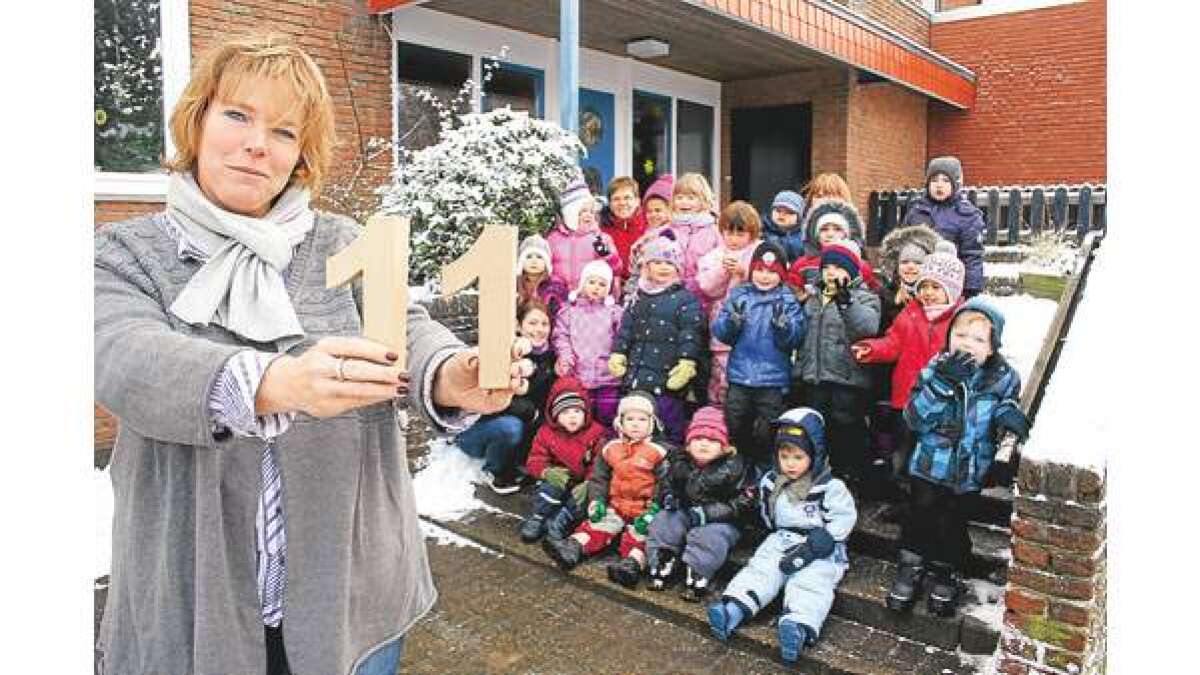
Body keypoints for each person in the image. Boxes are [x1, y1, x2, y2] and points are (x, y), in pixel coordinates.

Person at [94, 35, 533, 675]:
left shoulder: (341, 243)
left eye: (282, 131)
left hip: (352, 598)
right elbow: (124, 357)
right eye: (237, 115)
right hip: (189, 607)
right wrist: (276, 382)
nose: (256, 144)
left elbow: (407, 330)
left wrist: (453, 374)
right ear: (197, 119)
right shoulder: (127, 254)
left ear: (300, 154)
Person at [887, 299, 1029, 617]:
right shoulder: (936, 369)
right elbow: (914, 418)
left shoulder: (1003, 378)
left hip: (968, 468)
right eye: (961, 335)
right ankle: (911, 566)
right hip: (928, 464)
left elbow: (1004, 406)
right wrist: (942, 384)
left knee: (952, 520)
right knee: (920, 515)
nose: (967, 344)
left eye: (979, 339)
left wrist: (1009, 418)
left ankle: (946, 570)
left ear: (992, 348)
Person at [705, 408, 857, 665]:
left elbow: (845, 516)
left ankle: (798, 626)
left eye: (798, 456)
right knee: (761, 569)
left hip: (819, 544)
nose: (791, 463)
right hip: (783, 538)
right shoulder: (771, 482)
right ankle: (734, 609)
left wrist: (826, 539)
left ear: (814, 454)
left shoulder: (829, 486)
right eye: (784, 456)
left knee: (812, 581)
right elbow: (768, 511)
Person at [853, 241, 966, 487]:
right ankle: (902, 495)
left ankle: (927, 498)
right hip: (904, 398)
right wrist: (871, 348)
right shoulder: (911, 313)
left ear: (952, 290)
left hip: (938, 403)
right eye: (924, 286)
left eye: (936, 287)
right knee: (902, 449)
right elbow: (893, 342)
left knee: (929, 454)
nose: (927, 293)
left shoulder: (959, 320)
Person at [542, 391, 671, 589]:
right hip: (616, 504)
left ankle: (631, 565)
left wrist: (654, 510)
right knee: (597, 525)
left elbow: (666, 485)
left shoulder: (659, 452)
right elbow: (599, 478)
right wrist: (597, 501)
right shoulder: (611, 448)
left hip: (644, 509)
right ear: (620, 422)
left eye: (642, 419)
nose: (635, 424)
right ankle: (573, 547)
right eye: (630, 419)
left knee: (640, 537)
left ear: (652, 422)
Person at [792, 241, 881, 488]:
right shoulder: (813, 299)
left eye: (838, 267)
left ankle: (848, 476)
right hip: (815, 376)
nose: (831, 272)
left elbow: (867, 327)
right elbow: (803, 335)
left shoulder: (866, 297)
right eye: (827, 267)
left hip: (846, 379)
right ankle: (819, 475)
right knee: (816, 428)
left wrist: (847, 304)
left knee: (845, 429)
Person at [712, 242, 806, 470]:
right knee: (735, 422)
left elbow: (795, 338)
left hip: (772, 379)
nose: (765, 277)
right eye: (760, 270)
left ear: (781, 275)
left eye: (772, 272)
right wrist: (732, 323)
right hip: (740, 376)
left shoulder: (787, 300)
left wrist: (783, 327)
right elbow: (721, 333)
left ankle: (763, 470)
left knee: (767, 430)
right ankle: (738, 467)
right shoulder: (740, 295)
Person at [646, 406, 755, 601]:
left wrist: (709, 514)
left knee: (709, 536)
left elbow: (744, 501)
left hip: (722, 520)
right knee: (665, 520)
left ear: (725, 444)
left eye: (712, 440)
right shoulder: (679, 460)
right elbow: (666, 483)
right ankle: (662, 561)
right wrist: (669, 497)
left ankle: (697, 573)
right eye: (697, 439)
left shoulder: (736, 466)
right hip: (687, 510)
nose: (703, 444)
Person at [863, 224, 943, 486]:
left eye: (916, 263)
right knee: (892, 430)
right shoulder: (886, 296)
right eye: (905, 261)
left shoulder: (929, 304)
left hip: (922, 384)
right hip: (892, 376)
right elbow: (889, 338)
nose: (909, 267)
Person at [607, 236, 705, 444]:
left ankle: (672, 463)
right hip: (637, 376)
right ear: (647, 266)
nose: (663, 267)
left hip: (667, 378)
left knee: (670, 423)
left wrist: (687, 363)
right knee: (635, 423)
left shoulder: (685, 299)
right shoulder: (638, 296)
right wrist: (619, 353)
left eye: (669, 263)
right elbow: (626, 329)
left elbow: (690, 333)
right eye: (657, 262)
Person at [457, 299, 559, 493]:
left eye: (544, 324)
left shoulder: (550, 360)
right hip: (478, 429)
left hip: (521, 428)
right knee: (511, 427)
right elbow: (481, 400)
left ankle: (518, 461)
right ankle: (495, 472)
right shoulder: (504, 353)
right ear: (519, 326)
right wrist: (525, 410)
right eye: (533, 323)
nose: (539, 329)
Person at [519, 377, 610, 543]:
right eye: (565, 412)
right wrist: (546, 472)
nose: (572, 417)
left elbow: (599, 464)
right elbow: (535, 459)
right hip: (559, 478)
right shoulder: (546, 433)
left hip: (582, 484)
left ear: (585, 412)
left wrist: (589, 482)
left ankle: (560, 521)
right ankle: (539, 516)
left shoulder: (596, 433)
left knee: (584, 499)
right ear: (555, 415)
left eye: (577, 411)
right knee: (550, 489)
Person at [695, 201, 764, 405]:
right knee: (720, 377)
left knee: (748, 376)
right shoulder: (713, 257)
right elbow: (707, 288)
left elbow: (771, 283)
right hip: (722, 327)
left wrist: (744, 273)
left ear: (752, 234)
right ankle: (716, 416)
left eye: (740, 234)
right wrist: (723, 271)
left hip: (754, 329)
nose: (733, 239)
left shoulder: (761, 253)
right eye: (729, 233)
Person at [901, 156, 986, 298]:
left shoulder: (967, 215)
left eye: (946, 181)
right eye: (934, 180)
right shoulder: (916, 212)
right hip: (919, 281)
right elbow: (904, 247)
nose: (939, 185)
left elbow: (972, 255)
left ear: (956, 184)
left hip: (950, 284)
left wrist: (970, 289)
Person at [553, 260, 625, 428]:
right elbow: (561, 337)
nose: (596, 287)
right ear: (583, 283)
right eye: (591, 282)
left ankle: (606, 447)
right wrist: (565, 357)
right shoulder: (569, 312)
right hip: (579, 375)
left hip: (608, 377)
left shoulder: (614, 313)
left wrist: (618, 359)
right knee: (583, 417)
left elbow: (622, 339)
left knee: (608, 415)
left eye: (602, 284)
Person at [547, 172, 622, 293]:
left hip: (589, 299)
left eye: (591, 211)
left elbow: (616, 269)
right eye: (583, 211)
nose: (588, 215)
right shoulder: (553, 239)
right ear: (570, 213)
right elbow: (547, 268)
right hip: (560, 298)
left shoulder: (601, 238)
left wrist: (606, 254)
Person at [620, 173, 674, 302]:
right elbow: (634, 271)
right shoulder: (647, 235)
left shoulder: (670, 236)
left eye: (658, 210)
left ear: (670, 210)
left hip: (661, 295)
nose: (653, 215)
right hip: (641, 293)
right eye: (649, 211)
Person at [598, 175, 648, 284]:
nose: (622, 203)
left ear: (637, 201)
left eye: (627, 198)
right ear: (610, 204)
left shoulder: (648, 227)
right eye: (616, 199)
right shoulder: (601, 230)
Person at [516, 233, 568, 319]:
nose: (534, 261)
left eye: (539, 257)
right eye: (528, 257)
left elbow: (562, 313)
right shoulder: (515, 285)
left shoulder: (555, 287)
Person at [761, 189, 807, 263]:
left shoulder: (804, 237)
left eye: (789, 212)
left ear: (799, 218)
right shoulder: (761, 231)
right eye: (778, 210)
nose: (782, 215)